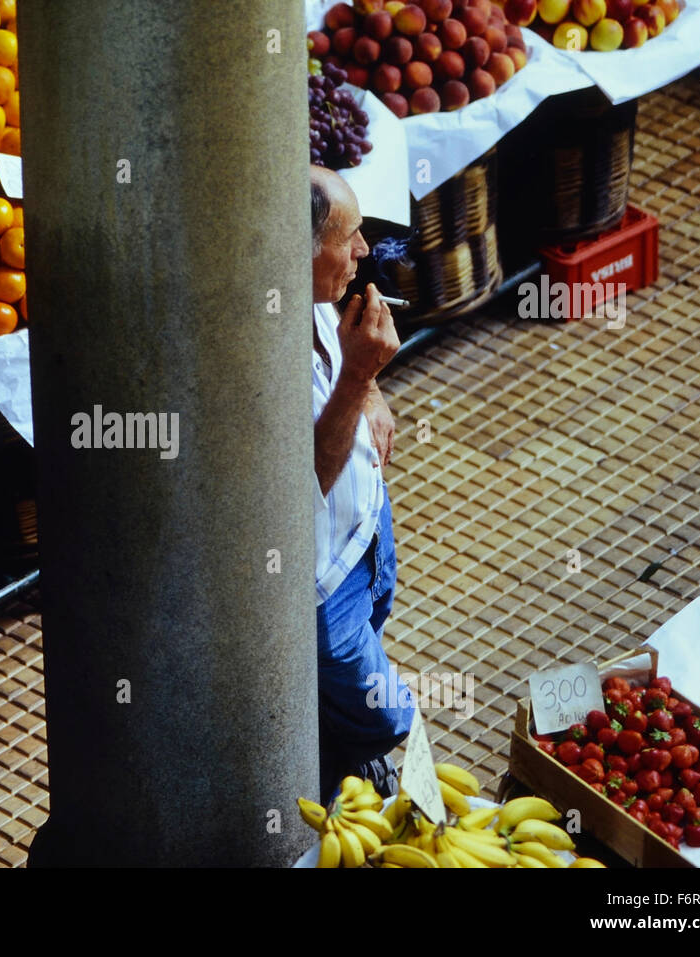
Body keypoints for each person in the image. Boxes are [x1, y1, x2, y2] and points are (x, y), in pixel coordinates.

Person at [309, 165, 414, 802]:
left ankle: (340, 754)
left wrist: (369, 389)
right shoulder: (248, 359)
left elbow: (349, 356)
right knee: (385, 715)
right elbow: (291, 502)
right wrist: (356, 378)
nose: (365, 251)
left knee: (351, 679)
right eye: (348, 237)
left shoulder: (320, 294)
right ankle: (349, 763)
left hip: (366, 531)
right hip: (320, 581)